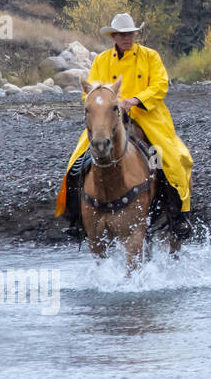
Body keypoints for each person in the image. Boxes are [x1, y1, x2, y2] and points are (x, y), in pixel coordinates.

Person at [56, 13, 195, 238]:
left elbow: (160, 85)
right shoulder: (102, 60)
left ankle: (177, 218)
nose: (126, 37)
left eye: (129, 33)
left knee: (168, 160)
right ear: (114, 36)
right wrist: (108, 107)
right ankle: (76, 219)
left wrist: (135, 100)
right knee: (75, 164)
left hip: (147, 118)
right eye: (122, 34)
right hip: (109, 119)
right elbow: (92, 93)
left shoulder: (150, 56)